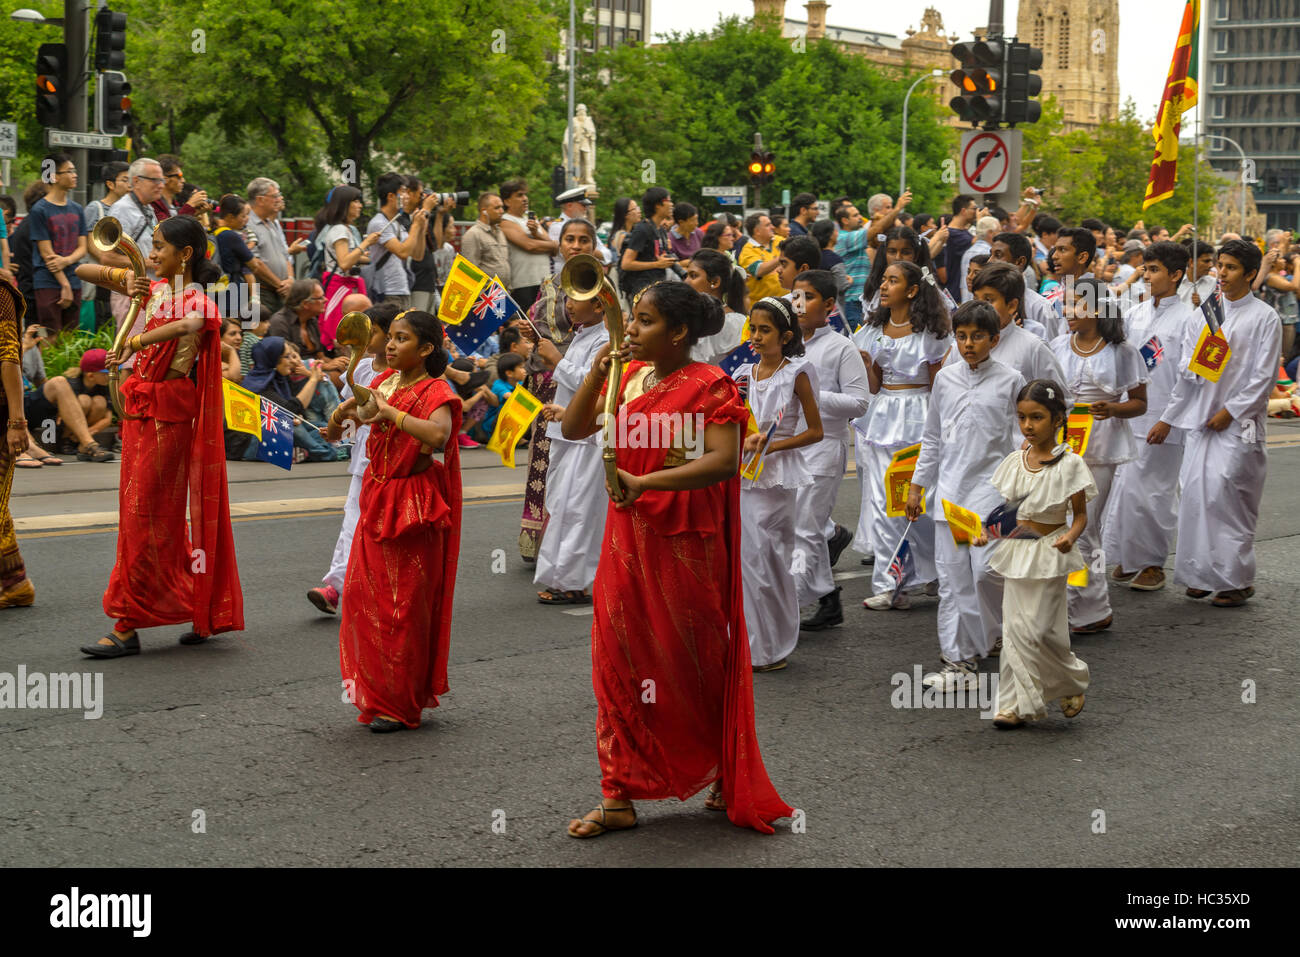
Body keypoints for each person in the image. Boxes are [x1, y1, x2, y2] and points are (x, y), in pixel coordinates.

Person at [558, 280, 793, 837]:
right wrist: (597, 372)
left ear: (679, 332)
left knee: (689, 663)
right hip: (625, 541)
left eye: (643, 321)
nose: (630, 330)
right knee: (617, 663)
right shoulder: (628, 377)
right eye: (632, 320)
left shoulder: (710, 385)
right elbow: (571, 428)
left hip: (687, 545)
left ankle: (717, 769)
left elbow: (722, 461)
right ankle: (618, 794)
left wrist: (645, 481)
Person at [74, 215, 243, 657]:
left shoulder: (199, 300)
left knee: (145, 518)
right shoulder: (150, 285)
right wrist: (130, 283)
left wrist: (139, 340)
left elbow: (189, 326)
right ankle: (194, 604)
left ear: (185, 254)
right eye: (150, 245)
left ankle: (128, 624)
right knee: (149, 519)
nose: (151, 254)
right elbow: (82, 271)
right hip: (140, 412)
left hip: (169, 420)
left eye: (159, 247)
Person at [329, 310, 462, 731]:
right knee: (364, 599)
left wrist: (389, 413)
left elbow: (438, 436)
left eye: (402, 339)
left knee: (402, 605)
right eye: (391, 338)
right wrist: (342, 413)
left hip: (412, 503)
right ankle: (377, 690)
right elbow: (336, 436)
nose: (390, 344)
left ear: (425, 350)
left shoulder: (436, 389)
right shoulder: (381, 383)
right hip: (376, 495)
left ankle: (400, 702)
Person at [1152, 239, 1281, 608]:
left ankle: (1235, 580)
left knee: (1228, 495)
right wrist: (1172, 415)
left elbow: (1263, 377)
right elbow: (1186, 367)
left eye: (1231, 267)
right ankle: (1199, 575)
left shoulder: (1264, 317)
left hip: (1239, 425)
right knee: (1195, 495)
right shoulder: (1208, 312)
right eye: (1219, 266)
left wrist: (1233, 411)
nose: (1221, 274)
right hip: (1201, 420)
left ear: (1251, 273)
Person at [907, 300, 1025, 689]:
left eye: (977, 336)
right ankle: (959, 661)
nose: (969, 344)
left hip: (994, 495)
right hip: (952, 497)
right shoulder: (946, 378)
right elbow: (933, 436)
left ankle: (998, 635)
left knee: (987, 573)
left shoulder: (1011, 379)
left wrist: (1022, 491)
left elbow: (1021, 440)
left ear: (994, 338)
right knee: (954, 580)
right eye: (962, 336)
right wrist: (917, 485)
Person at [978, 379, 1094, 729]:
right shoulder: (1016, 461)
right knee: (1015, 630)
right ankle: (1013, 705)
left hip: (1049, 554)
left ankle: (1072, 681)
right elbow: (1009, 511)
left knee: (1042, 632)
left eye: (1037, 417)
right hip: (1016, 551)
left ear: (1058, 418)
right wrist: (987, 531)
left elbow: (1080, 515)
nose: (1028, 426)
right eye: (1022, 417)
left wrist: (1071, 537)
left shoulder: (1069, 464)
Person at [1049, 276, 1147, 634]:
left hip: (1100, 446)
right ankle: (1072, 603)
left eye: (1077, 303)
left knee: (1085, 525)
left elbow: (1139, 403)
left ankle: (1092, 608)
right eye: (1068, 303)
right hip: (1061, 443)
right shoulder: (1057, 345)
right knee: (1060, 525)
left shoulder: (1122, 351)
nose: (1069, 311)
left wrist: (1114, 410)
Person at [854, 261, 950, 607]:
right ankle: (890, 583)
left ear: (912, 290)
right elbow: (876, 383)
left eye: (893, 281)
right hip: (884, 417)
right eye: (883, 280)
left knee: (922, 502)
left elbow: (940, 384)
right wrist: (867, 366)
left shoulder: (932, 334)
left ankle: (935, 570)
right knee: (884, 503)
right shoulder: (872, 331)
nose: (883, 286)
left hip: (920, 414)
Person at [734, 295, 822, 671]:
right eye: (753, 328)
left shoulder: (797, 373)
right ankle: (755, 643)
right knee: (748, 562)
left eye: (765, 330)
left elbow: (816, 431)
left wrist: (772, 446)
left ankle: (774, 643)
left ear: (785, 336)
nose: (756, 336)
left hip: (776, 476)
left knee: (769, 560)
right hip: (744, 474)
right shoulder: (742, 375)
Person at [1102, 242, 1195, 593]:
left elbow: (1190, 377)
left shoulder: (1190, 317)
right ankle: (1131, 555)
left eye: (1154, 270)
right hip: (1132, 411)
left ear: (1175, 274)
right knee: (1126, 490)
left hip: (1165, 416)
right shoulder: (1137, 313)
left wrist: (1170, 418)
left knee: (1155, 492)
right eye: (1145, 269)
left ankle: (1153, 563)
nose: (1147, 276)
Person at [789, 270, 869, 630]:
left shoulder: (841, 347)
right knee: (798, 527)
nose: (798, 304)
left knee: (805, 529)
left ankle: (787, 606)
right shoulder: (788, 343)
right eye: (795, 296)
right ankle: (826, 597)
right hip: (789, 447)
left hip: (824, 446)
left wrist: (810, 396)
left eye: (807, 297)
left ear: (830, 305)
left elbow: (859, 403)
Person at [309, 302, 398, 614]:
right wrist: (336, 431)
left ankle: (384, 590)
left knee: (385, 529)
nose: (367, 338)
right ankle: (334, 588)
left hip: (393, 461)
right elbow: (349, 413)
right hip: (364, 458)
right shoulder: (358, 368)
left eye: (373, 332)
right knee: (352, 523)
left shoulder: (403, 372)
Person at [517, 218, 591, 561]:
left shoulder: (602, 283)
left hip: (585, 380)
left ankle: (574, 539)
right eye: (569, 239)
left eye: (583, 240)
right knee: (545, 458)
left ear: (593, 246)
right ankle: (541, 536)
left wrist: (558, 355)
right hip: (546, 382)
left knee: (582, 460)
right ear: (559, 245)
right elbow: (543, 331)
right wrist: (532, 335)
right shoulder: (548, 284)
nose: (575, 246)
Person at [530, 287, 611, 604]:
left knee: (579, 508)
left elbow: (594, 384)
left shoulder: (604, 340)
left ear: (600, 305)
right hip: (566, 430)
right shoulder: (582, 334)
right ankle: (556, 576)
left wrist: (557, 360)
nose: (568, 305)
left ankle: (573, 582)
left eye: (576, 299)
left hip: (588, 435)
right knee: (561, 505)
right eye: (567, 298)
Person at [239, 337, 342, 462]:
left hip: (280, 434)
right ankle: (324, 453)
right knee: (286, 424)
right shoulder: (258, 384)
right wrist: (313, 379)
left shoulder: (280, 379)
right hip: (250, 445)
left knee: (322, 427)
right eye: (287, 357)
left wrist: (298, 417)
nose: (292, 361)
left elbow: (294, 410)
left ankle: (310, 451)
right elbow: (288, 411)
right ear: (274, 359)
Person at [971, 262, 1067, 390]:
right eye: (976, 299)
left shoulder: (1033, 348)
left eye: (988, 300)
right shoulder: (960, 347)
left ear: (1011, 306)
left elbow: (1058, 398)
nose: (979, 307)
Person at [27, 154, 88, 334]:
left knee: (71, 335)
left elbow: (83, 248)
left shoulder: (77, 208)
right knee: (50, 335)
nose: (75, 175)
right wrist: (65, 285)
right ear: (54, 176)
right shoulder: (39, 210)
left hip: (74, 277)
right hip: (47, 281)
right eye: (69, 171)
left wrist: (66, 261)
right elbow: (47, 254)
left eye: (74, 170)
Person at [1, 275, 33, 608]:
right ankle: (14, 581)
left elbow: (9, 360)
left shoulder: (1, 294)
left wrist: (16, 423)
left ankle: (15, 583)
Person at [315, 185, 380, 347]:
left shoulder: (346, 230)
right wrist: (366, 243)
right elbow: (344, 263)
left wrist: (363, 256)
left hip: (348, 286)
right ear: (344, 205)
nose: (360, 205)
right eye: (356, 201)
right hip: (340, 287)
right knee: (342, 332)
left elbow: (350, 258)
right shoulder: (340, 231)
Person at [366, 173, 429, 310]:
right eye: (403, 192)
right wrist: (416, 226)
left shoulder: (396, 223)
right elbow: (403, 252)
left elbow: (417, 255)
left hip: (403, 289)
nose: (406, 197)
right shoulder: (379, 223)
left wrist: (421, 229)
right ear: (391, 196)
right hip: (387, 292)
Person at [499, 180, 557, 310]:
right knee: (527, 326)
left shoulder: (531, 220)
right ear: (507, 201)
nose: (525, 199)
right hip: (524, 284)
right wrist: (550, 244)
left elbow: (554, 250)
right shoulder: (505, 221)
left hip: (544, 282)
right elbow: (529, 246)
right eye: (519, 195)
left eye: (525, 195)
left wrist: (537, 234)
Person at [990, 231, 1058, 339]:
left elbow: (1050, 348)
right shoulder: (982, 300)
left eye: (998, 255)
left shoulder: (1040, 307)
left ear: (1019, 262)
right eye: (991, 254)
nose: (990, 261)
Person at [683, 249, 746, 363]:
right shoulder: (684, 316)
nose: (686, 281)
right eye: (686, 275)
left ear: (715, 282)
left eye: (693, 276)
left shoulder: (734, 323)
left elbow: (739, 369)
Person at [619, 186, 676, 302]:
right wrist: (657, 264)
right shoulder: (642, 229)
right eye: (668, 201)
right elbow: (626, 263)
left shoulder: (661, 229)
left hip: (657, 287)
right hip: (642, 291)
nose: (671, 204)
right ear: (657, 205)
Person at [469, 352, 526, 444]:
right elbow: (509, 396)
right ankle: (515, 439)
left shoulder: (519, 384)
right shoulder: (499, 384)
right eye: (521, 368)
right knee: (513, 407)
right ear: (509, 373)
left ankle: (518, 437)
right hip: (493, 425)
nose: (524, 371)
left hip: (510, 425)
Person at [833, 202, 870, 328]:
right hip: (851, 302)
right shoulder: (844, 238)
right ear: (845, 220)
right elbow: (873, 232)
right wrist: (897, 208)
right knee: (856, 343)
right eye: (855, 215)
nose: (860, 217)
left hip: (859, 301)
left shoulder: (853, 237)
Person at [737, 212, 784, 305]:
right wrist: (783, 256)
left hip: (785, 304)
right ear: (757, 231)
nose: (773, 227)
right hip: (762, 307)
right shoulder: (747, 251)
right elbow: (759, 270)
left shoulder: (779, 240)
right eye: (768, 225)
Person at [940, 195, 978, 303]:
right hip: (956, 296)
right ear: (963, 210)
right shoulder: (952, 234)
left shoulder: (963, 232)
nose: (976, 212)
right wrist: (981, 222)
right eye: (974, 209)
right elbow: (977, 244)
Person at [959, 216, 999, 303]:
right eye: (999, 231)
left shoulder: (968, 252)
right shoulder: (988, 254)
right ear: (990, 233)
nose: (969, 277)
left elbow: (962, 286)